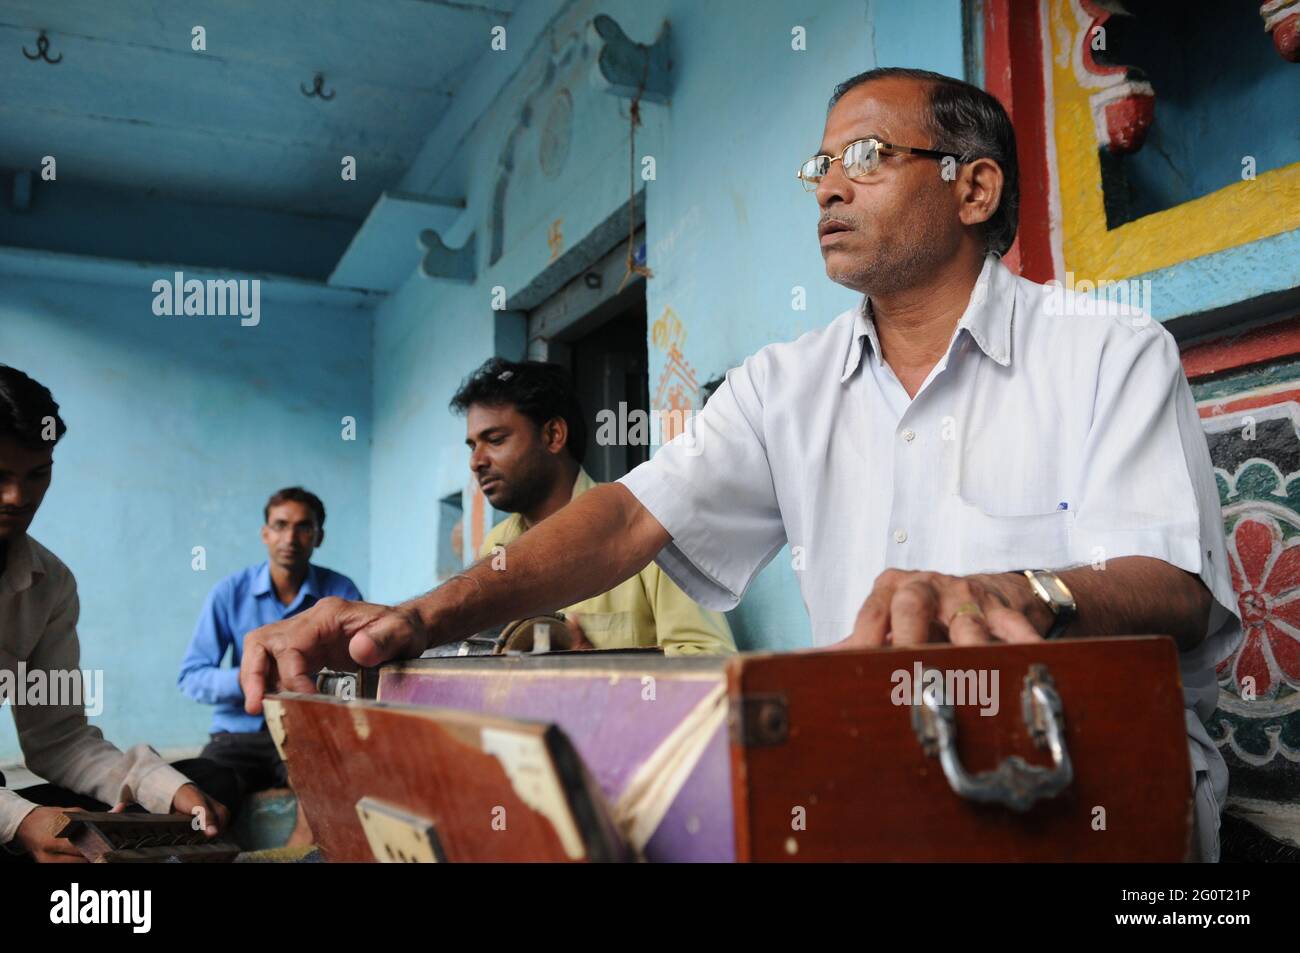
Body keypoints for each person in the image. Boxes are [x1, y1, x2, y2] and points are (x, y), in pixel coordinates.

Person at [239, 68, 1241, 861]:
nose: (830, 185)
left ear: (971, 185)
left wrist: (1014, 591)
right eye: (819, 167)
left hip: (1079, 783)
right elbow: (627, 519)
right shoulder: (780, 385)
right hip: (865, 779)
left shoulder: (1105, 350)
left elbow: (1176, 588)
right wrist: (419, 616)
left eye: (864, 155)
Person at [0, 365, 233, 863]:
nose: (17, 498)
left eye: (37, 474)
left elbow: (58, 737)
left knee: (206, 780)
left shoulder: (50, 584)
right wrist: (18, 820)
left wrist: (166, 788)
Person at [452, 357, 734, 655]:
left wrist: (598, 677)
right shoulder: (496, 547)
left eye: (494, 440)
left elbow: (709, 659)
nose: (476, 461)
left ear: (553, 436)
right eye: (472, 446)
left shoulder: (647, 525)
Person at [178, 487, 361, 844]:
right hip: (236, 737)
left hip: (307, 730)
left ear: (318, 536)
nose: (290, 537)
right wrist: (254, 680)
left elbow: (359, 673)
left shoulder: (340, 592)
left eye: (303, 527)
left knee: (325, 797)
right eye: (280, 525)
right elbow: (191, 677)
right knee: (203, 802)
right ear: (265, 534)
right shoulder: (229, 592)